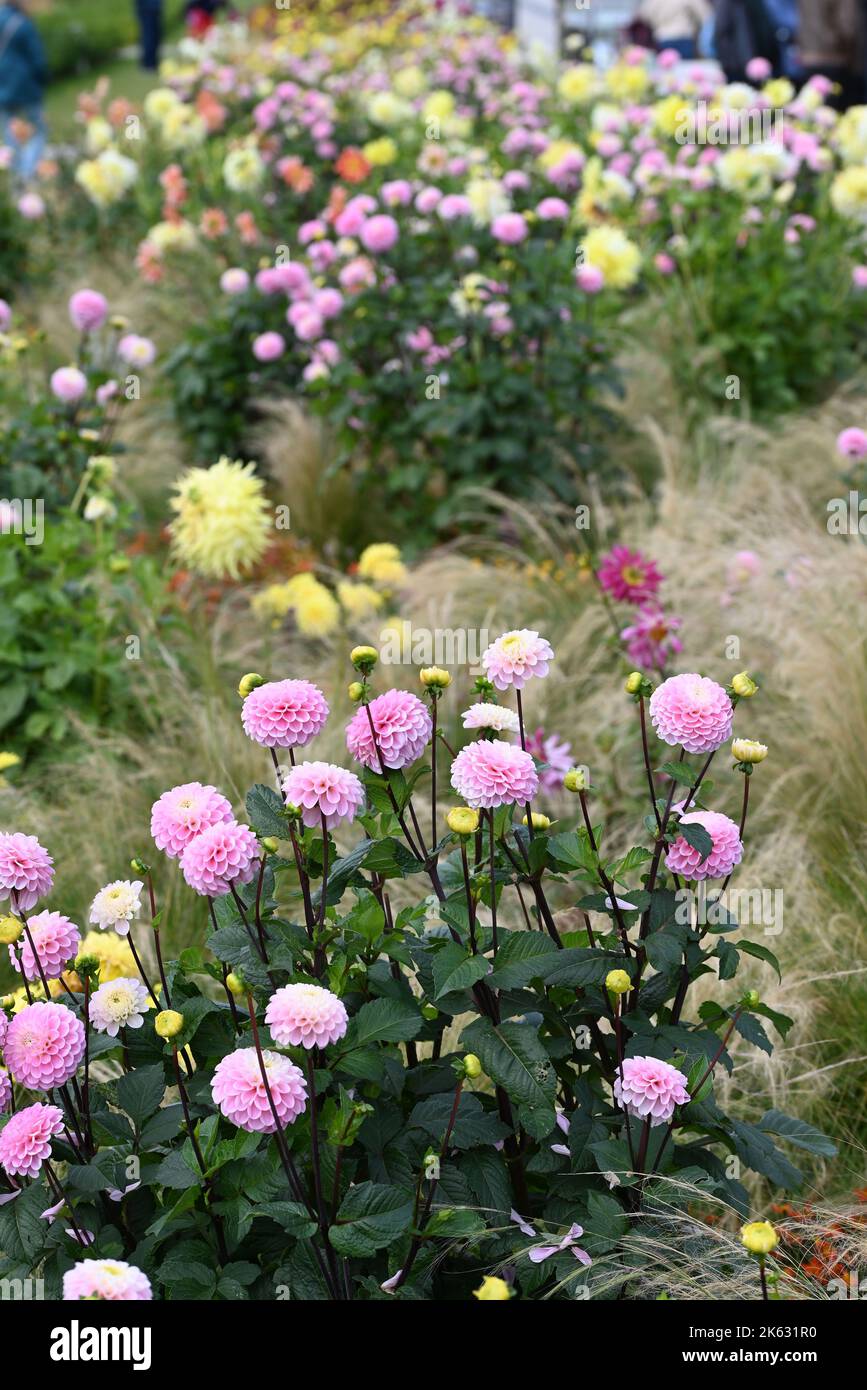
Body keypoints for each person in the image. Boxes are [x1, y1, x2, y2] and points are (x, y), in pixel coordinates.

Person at [0, 0, 46, 182]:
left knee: (10, 131)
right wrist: (41, 80)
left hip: (2, 86)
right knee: (38, 128)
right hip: (26, 86)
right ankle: (28, 171)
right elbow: (37, 60)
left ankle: (18, 173)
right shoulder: (22, 23)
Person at [798, 0, 864, 108]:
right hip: (835, 57)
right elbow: (847, 26)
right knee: (835, 114)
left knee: (813, 112)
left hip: (808, 57)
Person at [714, 0, 782, 82]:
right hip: (739, 68)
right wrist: (745, 62)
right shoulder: (728, 3)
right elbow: (724, 34)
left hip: (761, 62)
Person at [635, 0, 713, 58]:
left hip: (662, 38)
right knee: (685, 70)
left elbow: (644, 15)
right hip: (684, 37)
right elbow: (704, 13)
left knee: (667, 71)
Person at [136, 0, 164, 72]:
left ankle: (151, 62)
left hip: (151, 6)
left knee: (152, 35)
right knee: (149, 35)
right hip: (148, 7)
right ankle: (149, 63)